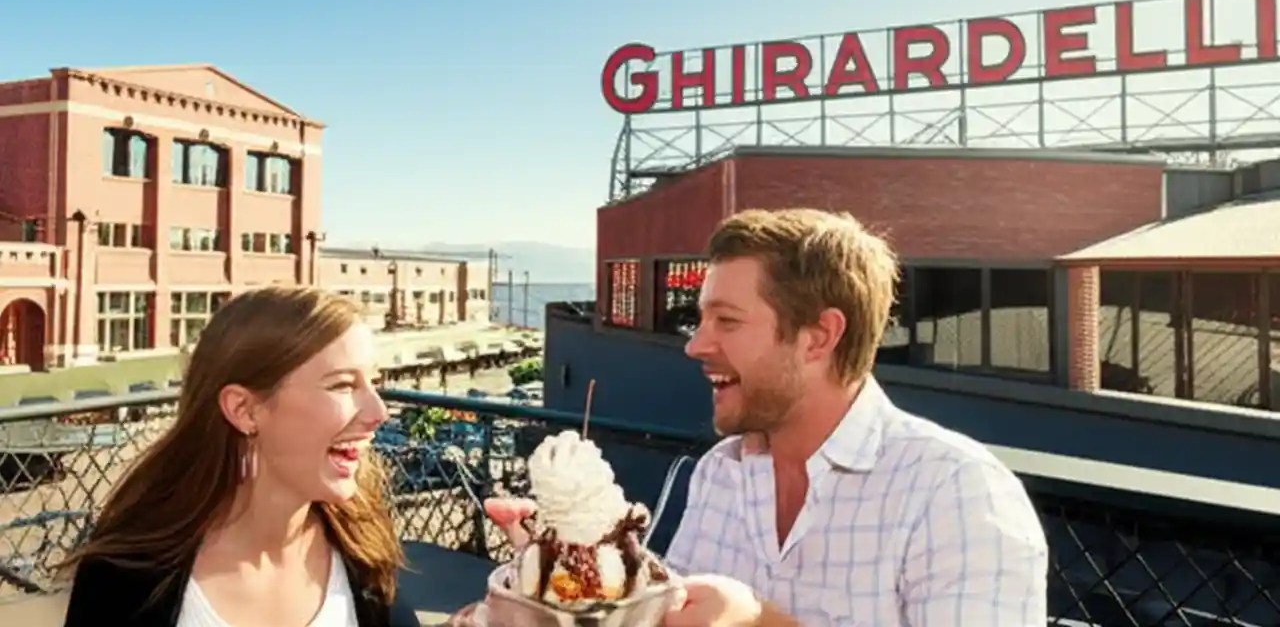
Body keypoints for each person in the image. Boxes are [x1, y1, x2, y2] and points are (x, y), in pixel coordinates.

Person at [488, 208, 1048, 626]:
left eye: (727, 321)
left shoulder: (957, 492)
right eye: (698, 320)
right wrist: (566, 564)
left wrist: (762, 622)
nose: (695, 346)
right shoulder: (719, 473)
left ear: (819, 336)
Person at [60, 286, 419, 627]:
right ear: (244, 409)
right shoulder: (126, 576)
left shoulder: (363, 547)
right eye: (343, 384)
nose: (379, 411)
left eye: (375, 381)